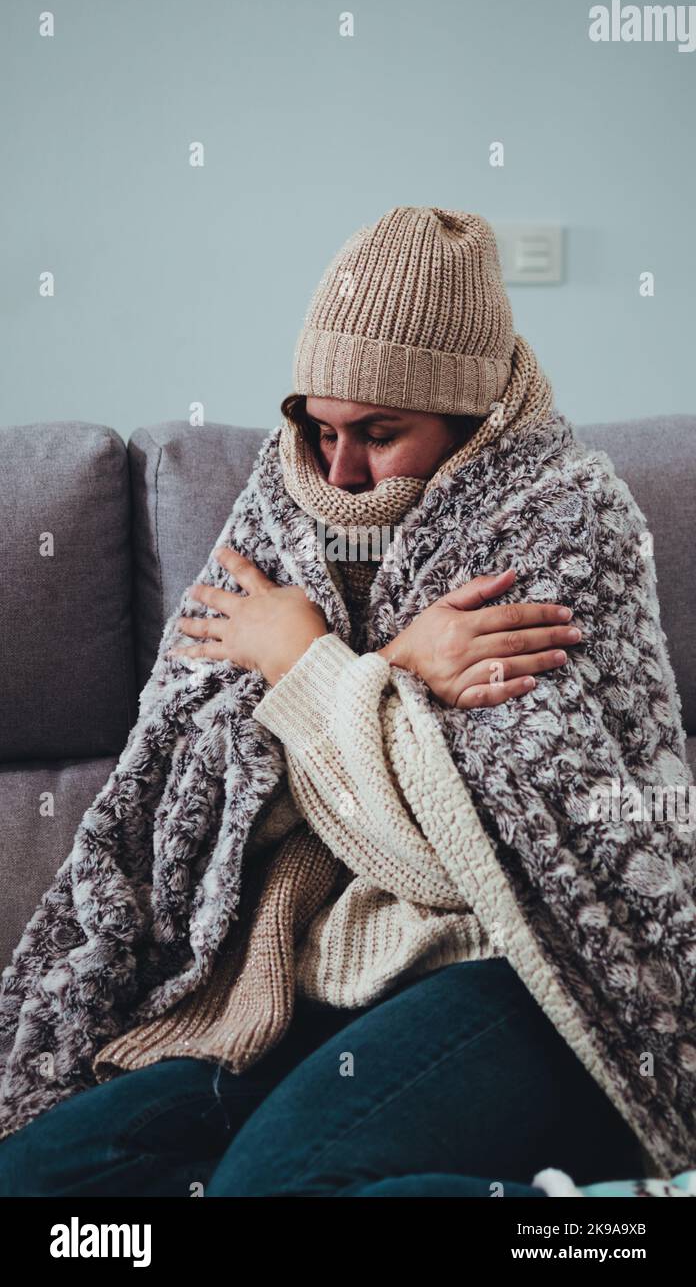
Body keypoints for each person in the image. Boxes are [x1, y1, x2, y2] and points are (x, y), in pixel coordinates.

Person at [0, 208, 654, 1197]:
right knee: (37, 1181)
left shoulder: (560, 519)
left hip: (512, 976)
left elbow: (459, 860)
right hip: (290, 984)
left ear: (468, 413)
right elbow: (195, 803)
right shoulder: (281, 504)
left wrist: (307, 662)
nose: (338, 471)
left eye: (379, 435)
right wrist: (394, 665)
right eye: (319, 425)